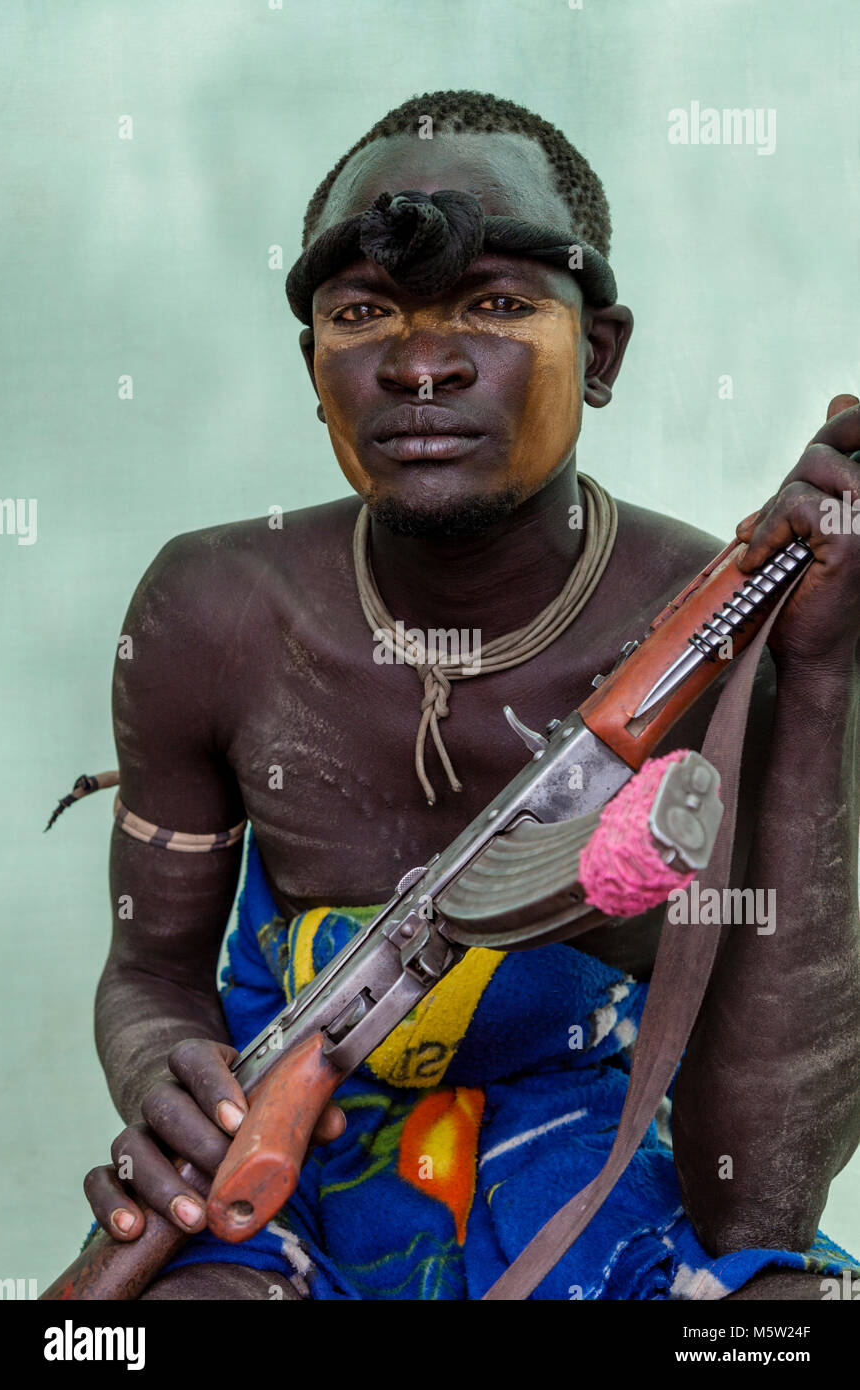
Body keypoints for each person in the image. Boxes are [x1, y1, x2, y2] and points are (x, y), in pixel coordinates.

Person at [75, 91, 860, 1300]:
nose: (420, 364)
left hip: (610, 1169)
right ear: (311, 367)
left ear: (598, 352)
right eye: (362, 314)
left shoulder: (722, 624)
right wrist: (172, 1081)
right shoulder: (210, 611)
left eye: (494, 306)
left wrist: (815, 681)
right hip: (300, 1157)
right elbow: (152, 970)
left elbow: (757, 1192)